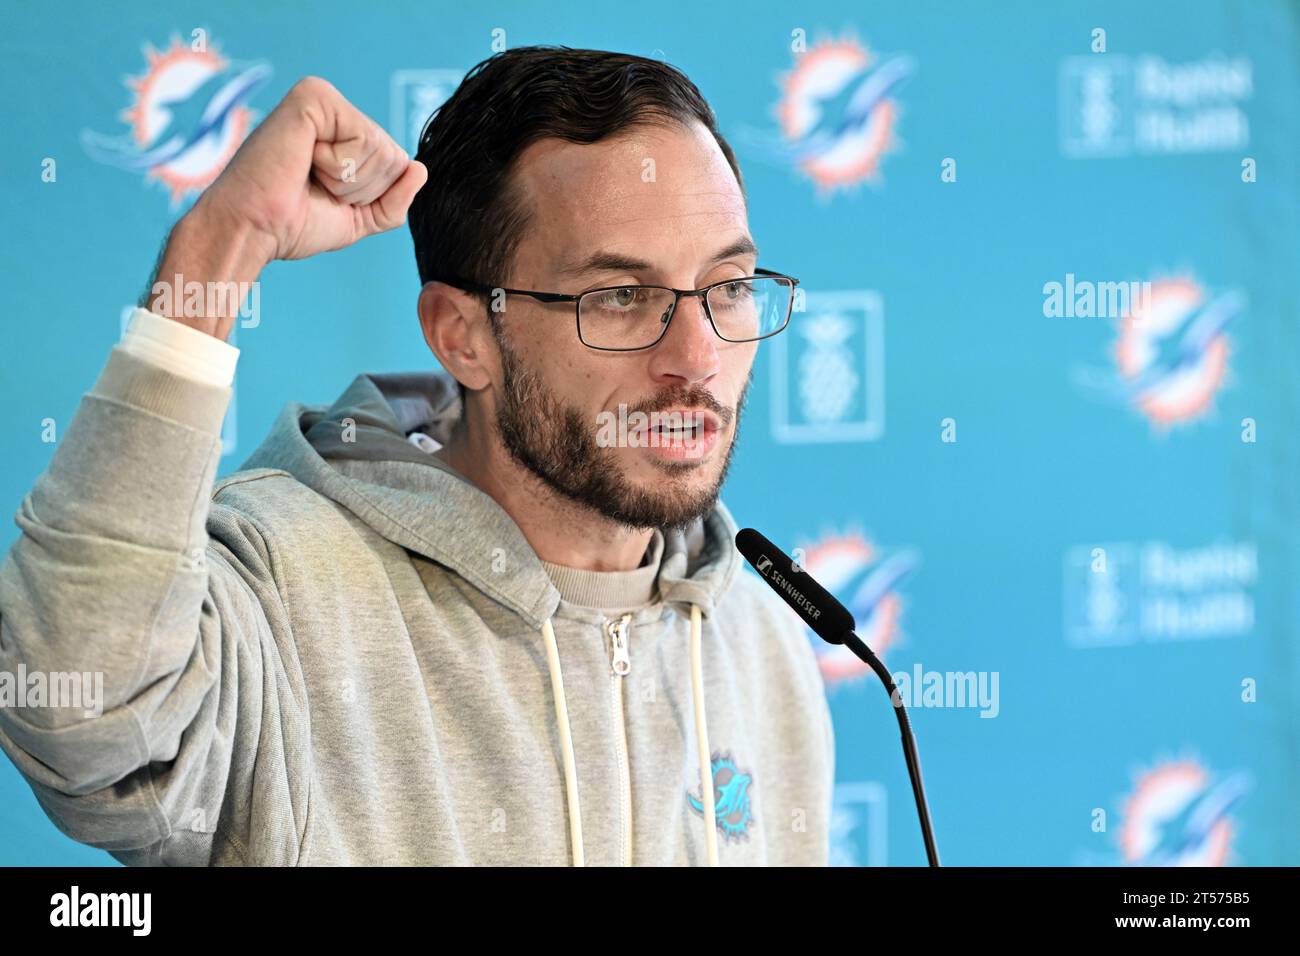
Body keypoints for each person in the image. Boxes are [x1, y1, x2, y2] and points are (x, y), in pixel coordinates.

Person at [0, 45, 833, 866]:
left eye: (728, 287)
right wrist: (223, 242)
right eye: (619, 296)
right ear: (462, 337)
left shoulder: (758, 631)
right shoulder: (281, 591)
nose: (697, 356)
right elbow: (86, 720)